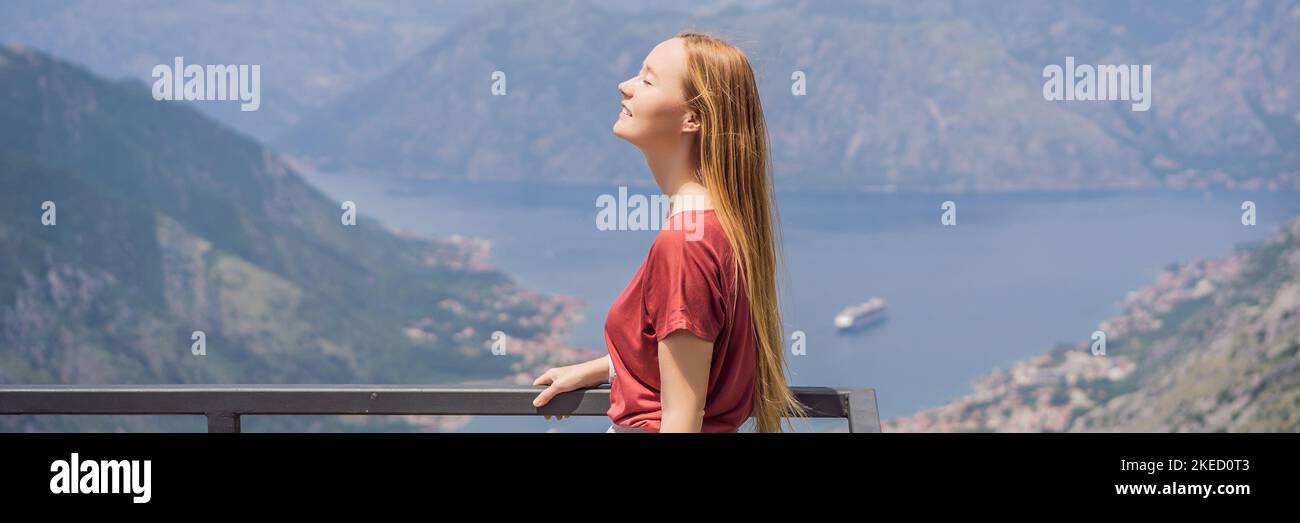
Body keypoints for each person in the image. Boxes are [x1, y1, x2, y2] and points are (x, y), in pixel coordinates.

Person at [531, 31, 806, 433]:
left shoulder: (684, 245)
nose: (624, 86)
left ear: (692, 119)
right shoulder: (723, 226)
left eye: (647, 79)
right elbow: (697, 353)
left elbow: (682, 417)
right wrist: (602, 370)